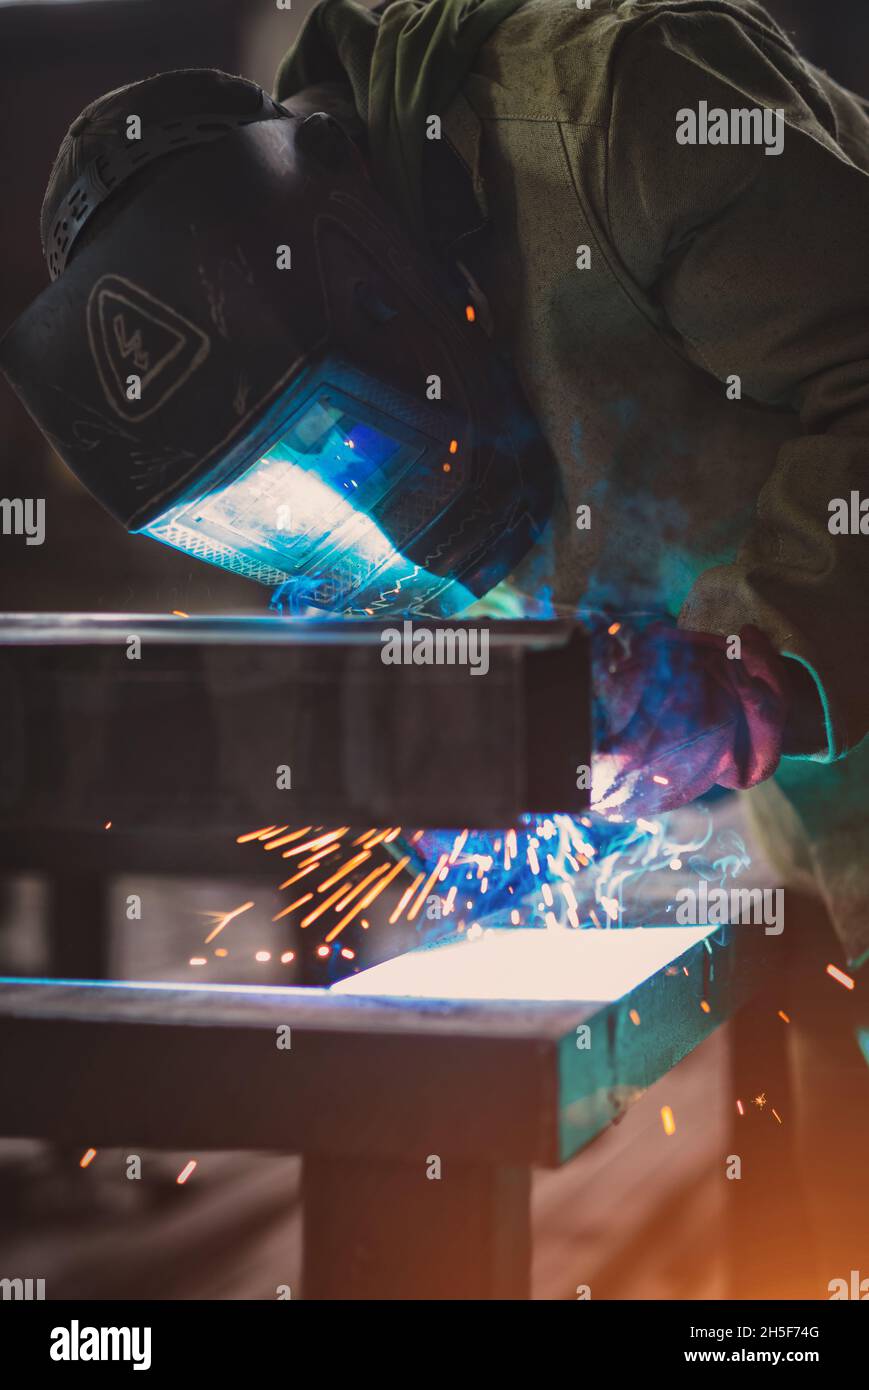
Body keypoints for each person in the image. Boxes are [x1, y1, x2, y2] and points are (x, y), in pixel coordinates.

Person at [2, 0, 867, 1291]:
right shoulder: (372, 310)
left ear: (358, 269)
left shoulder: (622, 108)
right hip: (824, 862)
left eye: (338, 445)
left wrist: (754, 671)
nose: (359, 497)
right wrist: (460, 736)